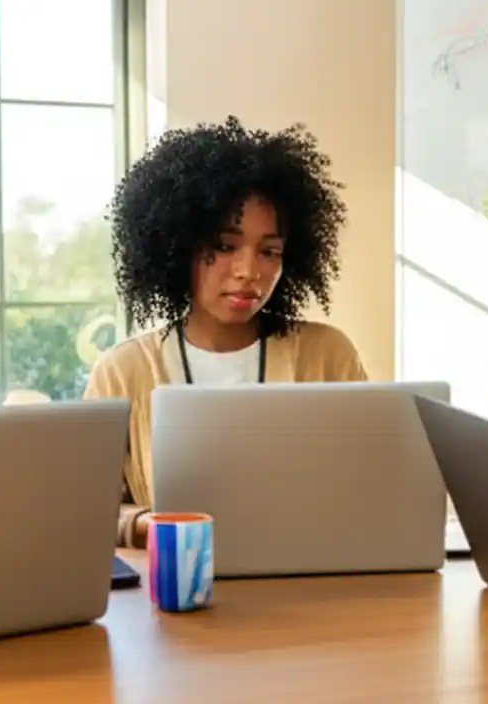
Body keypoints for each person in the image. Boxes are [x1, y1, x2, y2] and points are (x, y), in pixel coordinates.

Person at [84, 116, 367, 548]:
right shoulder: (122, 372)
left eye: (269, 251)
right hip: (177, 582)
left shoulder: (328, 355)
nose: (249, 271)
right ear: (178, 247)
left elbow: (369, 487)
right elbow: (84, 507)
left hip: (306, 579)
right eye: (224, 246)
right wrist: (147, 525)